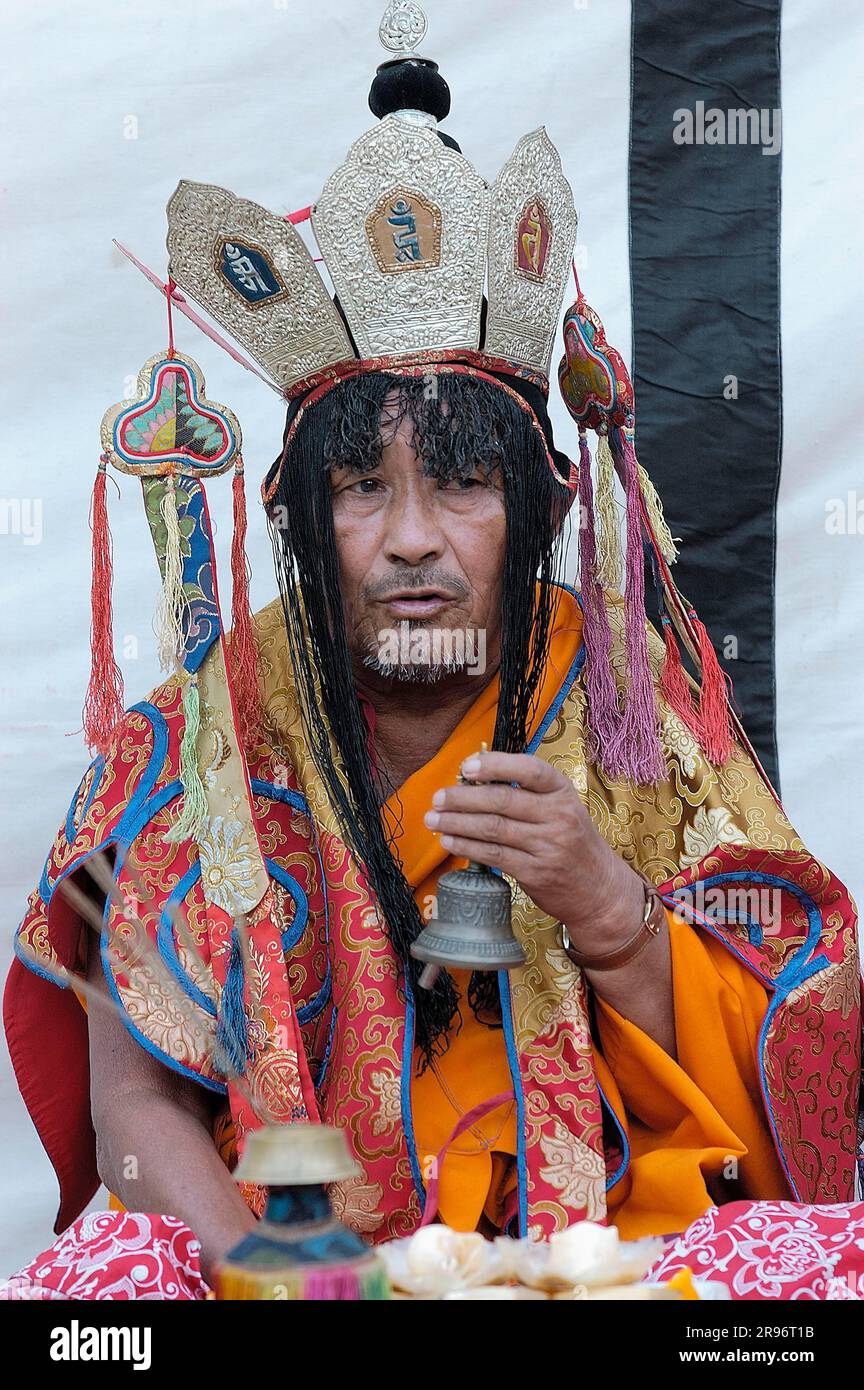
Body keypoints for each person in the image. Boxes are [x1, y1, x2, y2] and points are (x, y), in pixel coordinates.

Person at [3, 4, 860, 1301]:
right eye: (361, 489)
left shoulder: (630, 693)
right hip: (285, 1254)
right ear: (304, 516)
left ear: (535, 510)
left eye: (461, 485)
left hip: (608, 1248)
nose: (410, 539)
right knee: (83, 1300)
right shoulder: (214, 721)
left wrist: (610, 911)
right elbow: (130, 1087)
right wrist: (262, 1266)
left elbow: (814, 1042)